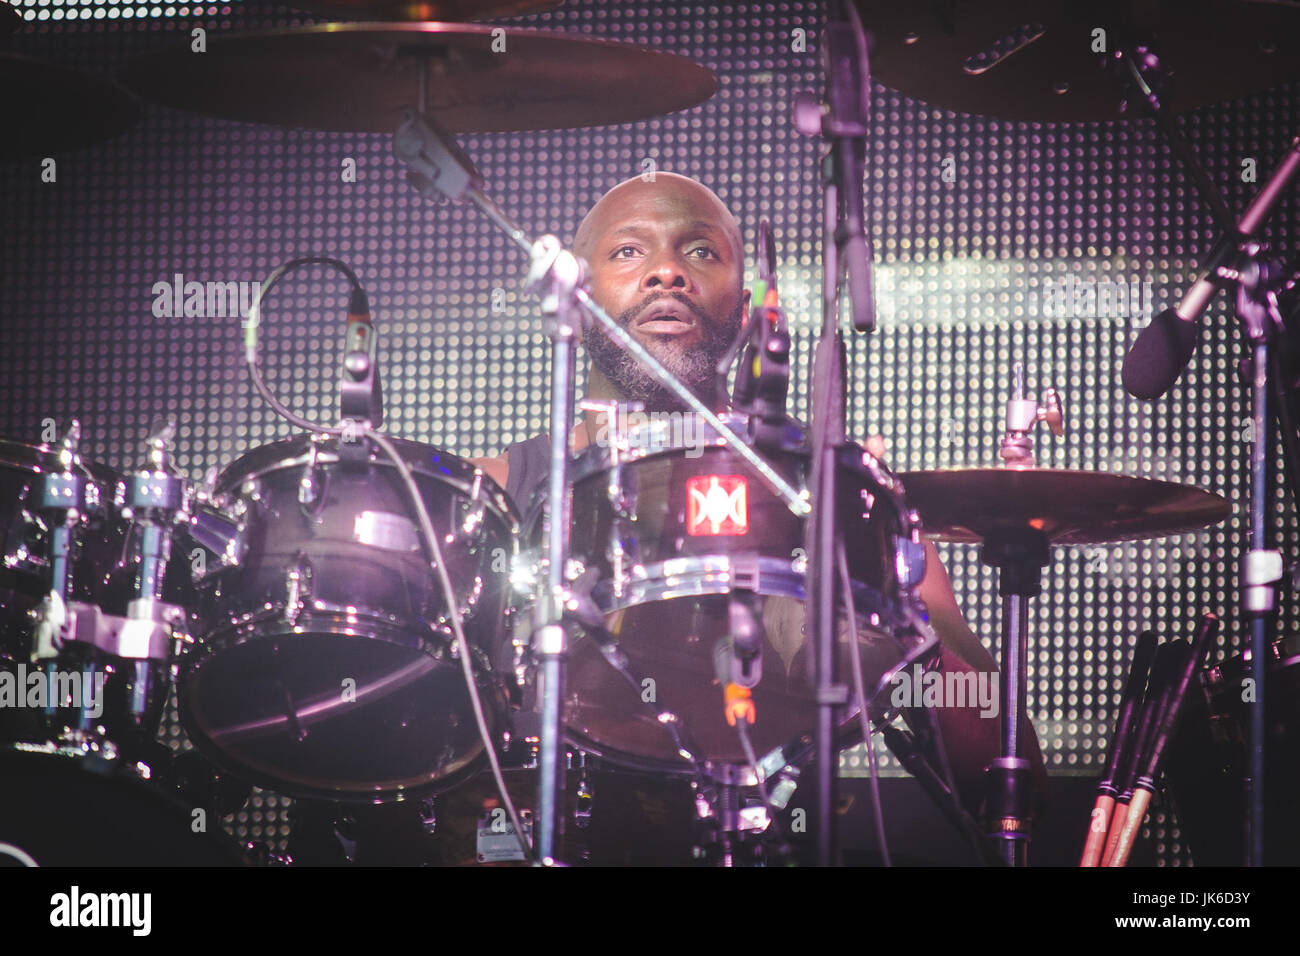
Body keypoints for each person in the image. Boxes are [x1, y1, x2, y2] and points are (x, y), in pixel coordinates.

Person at [474, 172, 1047, 823]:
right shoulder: (493, 494)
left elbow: (1007, 779)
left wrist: (886, 580)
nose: (667, 272)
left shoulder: (834, 506)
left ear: (745, 312)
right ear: (575, 305)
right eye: (629, 251)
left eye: (700, 252)